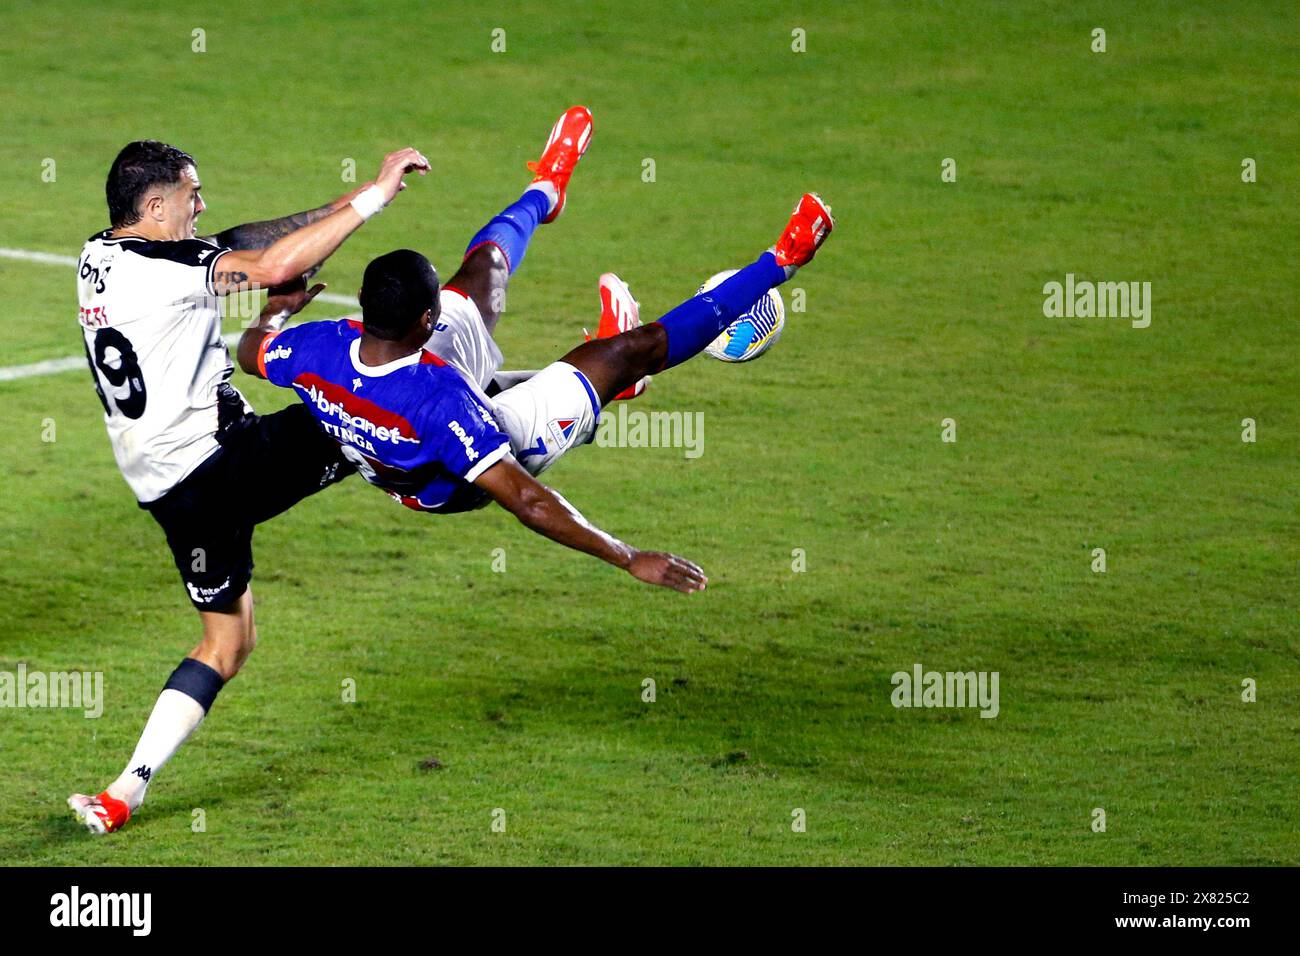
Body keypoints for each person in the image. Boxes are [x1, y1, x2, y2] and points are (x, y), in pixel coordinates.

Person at [69, 139, 431, 834]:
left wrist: (321, 224)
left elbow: (243, 245)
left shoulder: (102, 255)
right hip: (219, 465)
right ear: (153, 205)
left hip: (169, 495)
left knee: (228, 643)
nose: (201, 206)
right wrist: (376, 194)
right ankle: (574, 399)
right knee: (375, 405)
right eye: (190, 196)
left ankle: (122, 792)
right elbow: (270, 262)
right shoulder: (165, 271)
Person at [239, 189, 834, 591]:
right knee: (629, 352)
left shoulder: (314, 346)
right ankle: (782, 260)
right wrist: (628, 557)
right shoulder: (444, 403)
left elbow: (252, 352)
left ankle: (546, 191)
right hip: (451, 484)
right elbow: (526, 501)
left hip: (404, 427)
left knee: (484, 273)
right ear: (428, 322)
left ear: (364, 307)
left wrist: (276, 313)